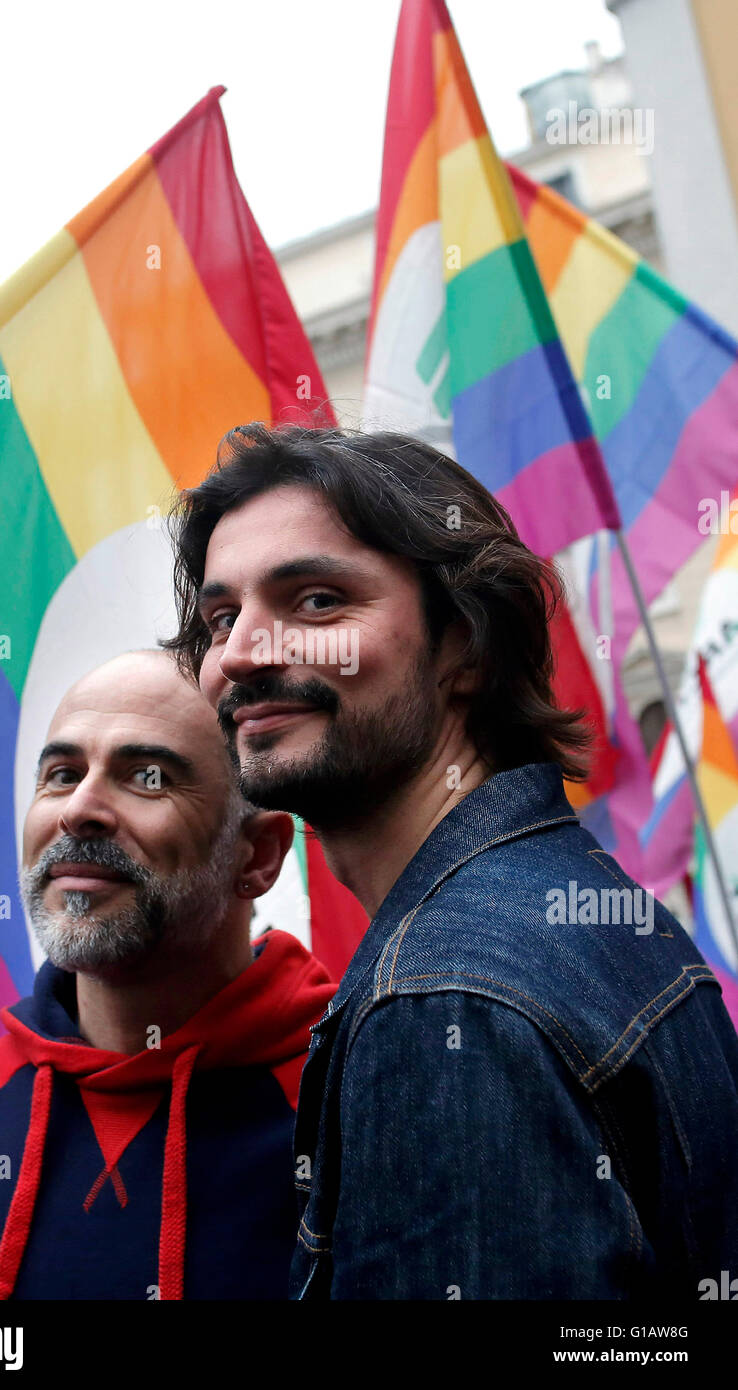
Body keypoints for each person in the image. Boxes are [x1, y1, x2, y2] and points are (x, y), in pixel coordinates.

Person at [163, 422, 738, 1300]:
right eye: (222, 617)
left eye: (317, 602)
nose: (241, 652)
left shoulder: (441, 1003)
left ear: (464, 643)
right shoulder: (572, 905)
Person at [0, 649, 334, 1300]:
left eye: (147, 777)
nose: (79, 811)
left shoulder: (350, 1099)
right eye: (62, 775)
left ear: (259, 855)